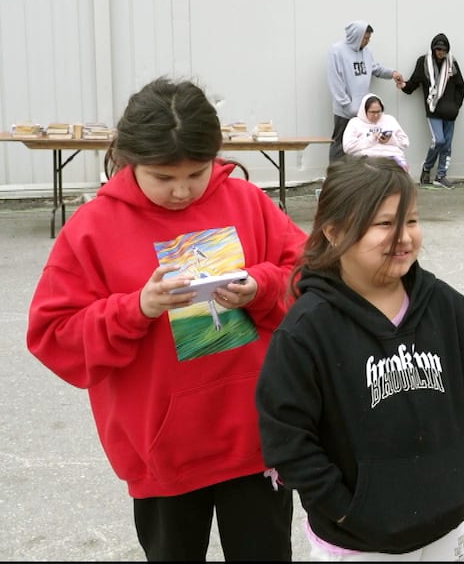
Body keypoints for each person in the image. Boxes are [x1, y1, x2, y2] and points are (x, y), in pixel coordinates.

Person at [27, 76, 307, 561]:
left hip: (255, 439)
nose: (181, 190)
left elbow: (311, 279)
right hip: (162, 453)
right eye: (162, 177)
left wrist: (259, 287)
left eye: (196, 174)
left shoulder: (247, 203)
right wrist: (136, 308)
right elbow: (53, 334)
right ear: (128, 159)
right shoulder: (92, 229)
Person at [255, 156, 464, 560]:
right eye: (384, 224)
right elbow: (287, 438)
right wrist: (345, 509)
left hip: (445, 525)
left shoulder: (451, 310)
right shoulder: (307, 331)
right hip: (356, 543)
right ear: (334, 231)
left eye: (411, 221)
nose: (403, 237)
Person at [327, 21, 404, 163]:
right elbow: (335, 82)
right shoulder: (337, 51)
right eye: (365, 38)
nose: (367, 42)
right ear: (356, 36)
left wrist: (392, 73)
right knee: (340, 143)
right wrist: (347, 106)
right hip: (344, 111)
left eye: (369, 39)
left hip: (363, 110)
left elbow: (375, 69)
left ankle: (355, 178)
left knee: (363, 144)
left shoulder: (366, 52)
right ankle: (334, 177)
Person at [402, 32, 464, 189]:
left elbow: (461, 86)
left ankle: (441, 175)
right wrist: (404, 86)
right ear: (433, 49)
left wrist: (456, 106)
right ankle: (427, 167)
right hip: (434, 110)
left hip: (450, 112)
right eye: (438, 49)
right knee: (438, 141)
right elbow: (414, 82)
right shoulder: (424, 62)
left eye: (443, 50)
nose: (441, 53)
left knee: (447, 145)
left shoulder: (452, 63)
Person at [343, 93, 411, 171]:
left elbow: (404, 142)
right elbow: (347, 147)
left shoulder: (389, 120)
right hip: (367, 157)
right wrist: (371, 139)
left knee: (402, 168)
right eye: (372, 112)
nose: (376, 115)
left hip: (391, 155)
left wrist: (390, 140)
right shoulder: (355, 123)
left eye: (379, 112)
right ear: (364, 111)